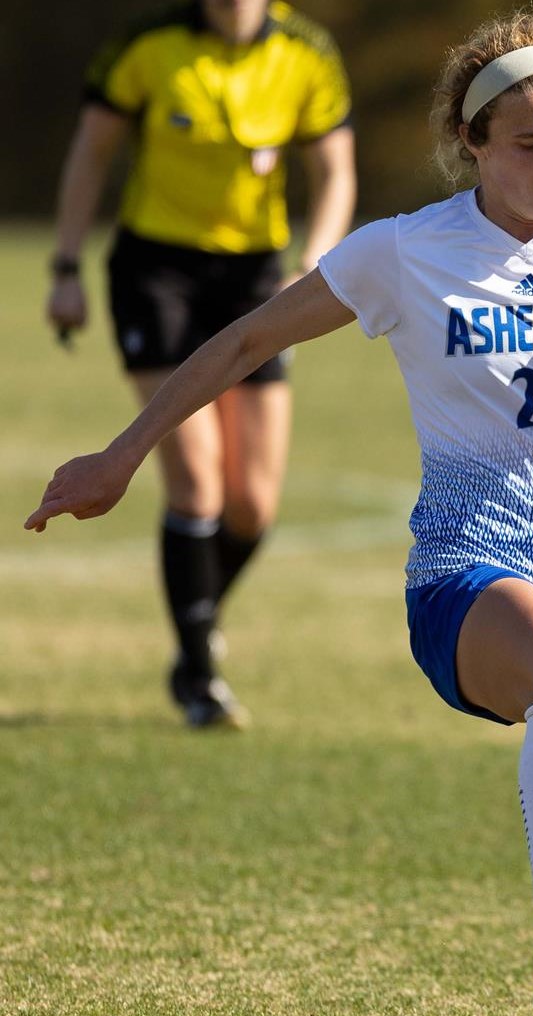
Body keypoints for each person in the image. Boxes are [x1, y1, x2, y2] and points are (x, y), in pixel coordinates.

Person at [28, 10, 533, 1016]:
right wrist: (121, 455)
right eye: (529, 142)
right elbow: (242, 341)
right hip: (472, 574)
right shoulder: (406, 251)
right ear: (472, 142)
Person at [45, 0, 356, 729]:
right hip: (157, 275)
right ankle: (199, 674)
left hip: (255, 278)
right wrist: (65, 266)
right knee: (196, 479)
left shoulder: (307, 52)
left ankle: (196, 625)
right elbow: (91, 152)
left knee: (252, 504)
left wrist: (314, 264)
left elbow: (335, 173)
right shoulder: (147, 45)